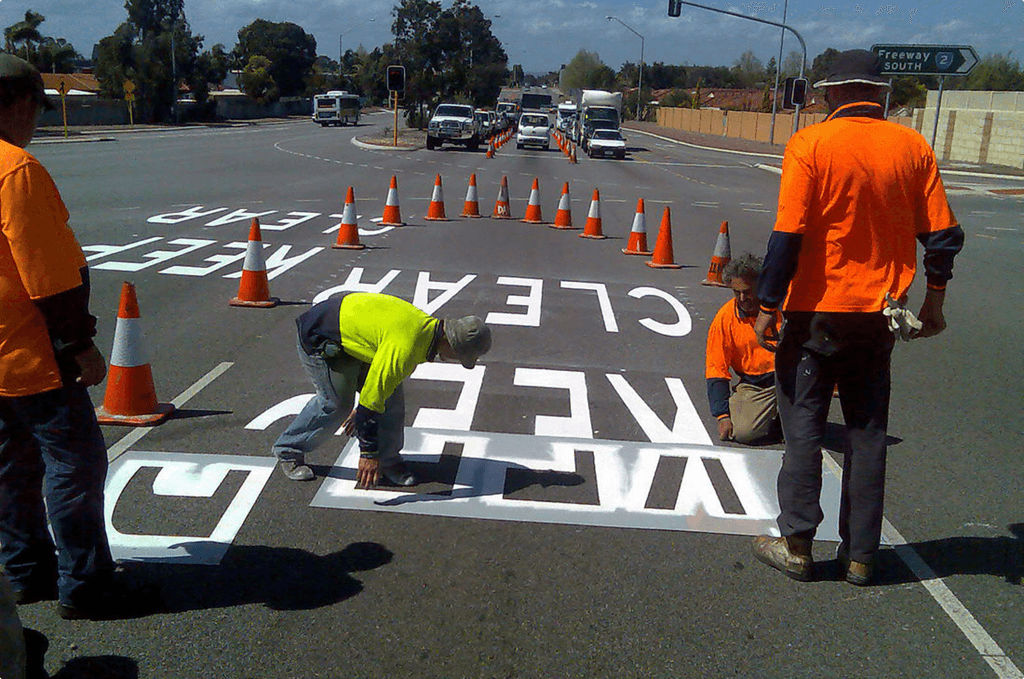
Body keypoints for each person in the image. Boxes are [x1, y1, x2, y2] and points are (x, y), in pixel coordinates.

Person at [750, 49, 965, 585]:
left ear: (836, 92)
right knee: (867, 434)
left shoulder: (811, 143)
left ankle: (797, 545)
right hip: (877, 316)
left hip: (815, 313)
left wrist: (768, 306)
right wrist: (934, 300)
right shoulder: (912, 147)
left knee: (804, 427)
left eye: (825, 94)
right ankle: (862, 557)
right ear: (878, 94)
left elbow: (788, 235)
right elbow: (942, 236)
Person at [0, 54, 126, 620]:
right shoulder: (15, 170)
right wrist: (80, 346)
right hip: (33, 354)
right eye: (36, 108)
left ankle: (25, 572)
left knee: (11, 467)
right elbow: (48, 277)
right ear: (17, 104)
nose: (36, 122)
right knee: (75, 464)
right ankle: (86, 586)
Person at [273, 292, 492, 486]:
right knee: (336, 405)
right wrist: (368, 453)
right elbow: (372, 399)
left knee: (391, 399)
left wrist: (364, 411)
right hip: (323, 334)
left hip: (358, 336)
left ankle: (389, 461)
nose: (456, 360)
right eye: (460, 356)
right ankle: (288, 449)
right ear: (451, 344)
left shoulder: (426, 333)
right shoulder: (406, 347)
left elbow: (382, 388)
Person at [705, 254, 780, 444]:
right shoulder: (725, 318)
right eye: (736, 292)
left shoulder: (781, 307)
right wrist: (722, 415)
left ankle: (792, 419)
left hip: (790, 378)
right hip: (756, 385)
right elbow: (716, 369)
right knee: (743, 432)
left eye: (747, 292)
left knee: (809, 428)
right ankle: (777, 423)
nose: (742, 298)